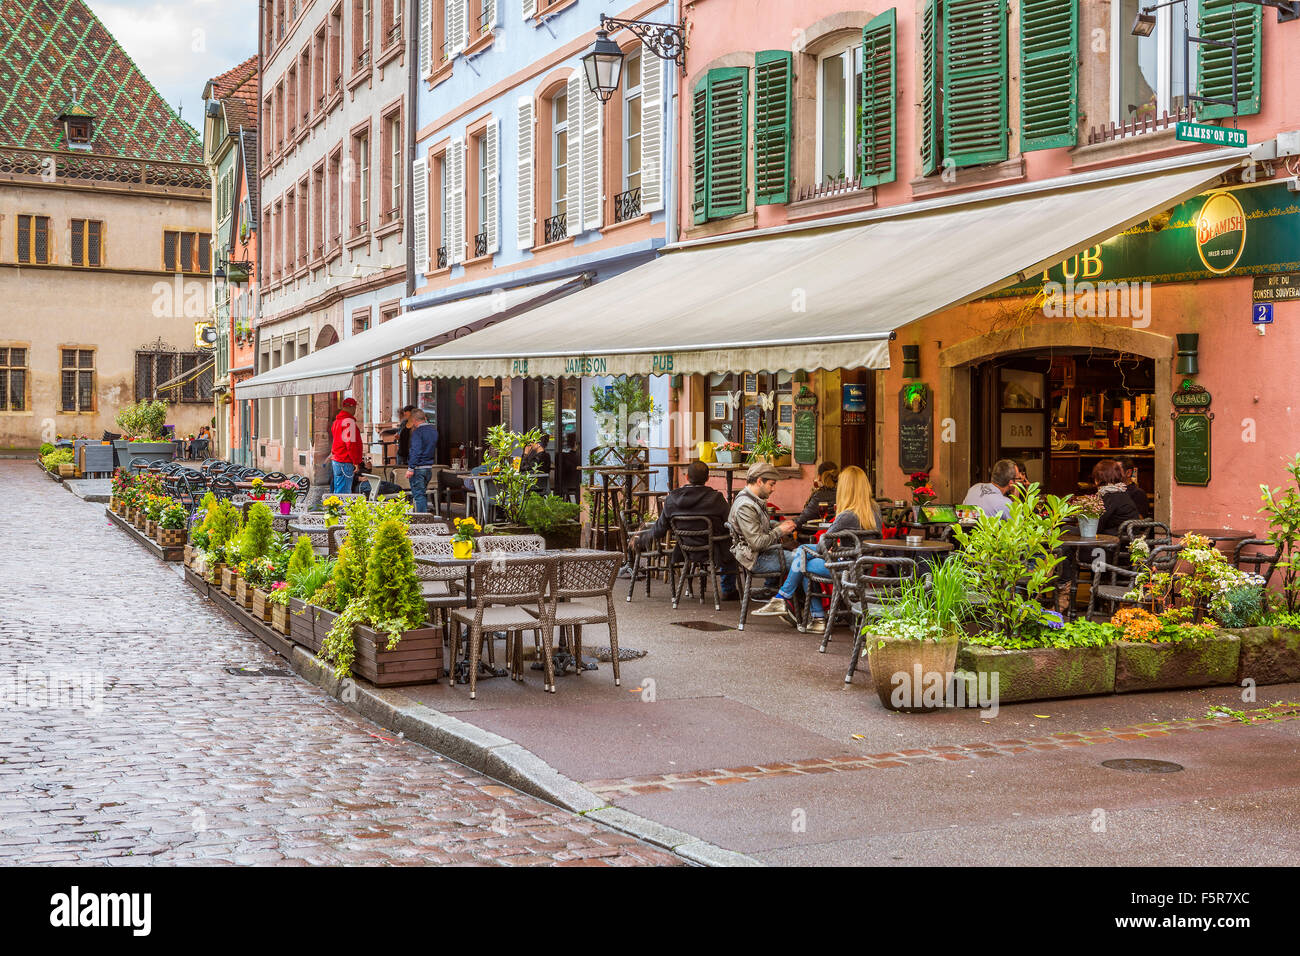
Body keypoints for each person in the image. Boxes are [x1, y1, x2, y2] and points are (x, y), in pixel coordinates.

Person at [754, 466, 881, 632]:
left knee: (804, 560)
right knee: (803, 554)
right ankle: (809, 614)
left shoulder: (847, 515)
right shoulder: (874, 510)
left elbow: (823, 545)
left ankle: (795, 605)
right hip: (861, 565)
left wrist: (830, 549)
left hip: (844, 567)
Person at [632, 459, 738, 598]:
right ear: (707, 478)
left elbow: (660, 528)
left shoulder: (671, 499)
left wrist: (642, 538)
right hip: (714, 550)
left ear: (687, 477)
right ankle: (728, 589)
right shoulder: (716, 498)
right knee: (732, 545)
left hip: (684, 550)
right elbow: (729, 522)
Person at [728, 462, 797, 600]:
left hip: (758, 553)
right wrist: (779, 531)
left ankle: (790, 599)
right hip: (754, 558)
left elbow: (759, 525)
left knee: (802, 554)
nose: (773, 489)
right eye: (771, 484)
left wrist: (777, 525)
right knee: (801, 560)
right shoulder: (746, 506)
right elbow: (757, 543)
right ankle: (808, 608)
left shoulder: (752, 499)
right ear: (759, 481)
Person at [1093, 458, 1142, 536]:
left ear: (1099, 478)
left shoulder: (1111, 494)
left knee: (1067, 530)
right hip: (1125, 536)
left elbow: (1096, 526)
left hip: (1117, 540)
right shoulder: (1119, 491)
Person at [403, 409, 439, 513]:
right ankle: (423, 518)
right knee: (422, 494)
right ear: (425, 418)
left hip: (418, 468)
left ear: (414, 420)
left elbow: (416, 450)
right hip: (428, 468)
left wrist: (410, 467)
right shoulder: (434, 431)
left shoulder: (417, 432)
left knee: (419, 496)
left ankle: (422, 520)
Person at [330, 397, 365, 495]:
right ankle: (340, 510)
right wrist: (356, 461)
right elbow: (351, 444)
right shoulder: (348, 422)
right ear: (352, 407)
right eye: (355, 408)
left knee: (338, 490)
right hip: (345, 460)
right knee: (344, 493)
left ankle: (335, 509)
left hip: (337, 460)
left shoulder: (337, 422)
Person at [794, 461, 840, 531]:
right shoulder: (843, 493)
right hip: (836, 533)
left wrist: (787, 524)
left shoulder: (820, 495)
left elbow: (803, 519)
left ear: (819, 477)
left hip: (816, 534)